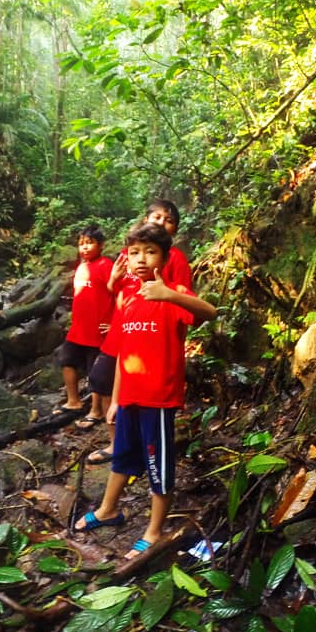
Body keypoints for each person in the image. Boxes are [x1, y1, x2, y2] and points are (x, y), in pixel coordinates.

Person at [74, 222, 217, 560]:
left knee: (159, 469)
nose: (141, 259)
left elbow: (210, 313)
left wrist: (170, 294)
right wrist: (117, 399)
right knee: (122, 457)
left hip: (159, 399)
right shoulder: (127, 295)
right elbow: (125, 352)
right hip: (131, 399)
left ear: (165, 258)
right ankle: (108, 509)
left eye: (150, 252)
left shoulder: (174, 293)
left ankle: (153, 532)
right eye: (134, 252)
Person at [81, 198, 192, 455]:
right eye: (158, 217)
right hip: (123, 327)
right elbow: (117, 292)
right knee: (100, 378)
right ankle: (116, 443)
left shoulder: (174, 259)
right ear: (146, 219)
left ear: (174, 230)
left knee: (135, 391)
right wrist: (112, 282)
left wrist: (176, 345)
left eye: (169, 220)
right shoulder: (128, 253)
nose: (162, 222)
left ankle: (139, 446)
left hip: (150, 333)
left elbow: (183, 304)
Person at [57, 225, 114, 412]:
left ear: (101, 245)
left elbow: (118, 293)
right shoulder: (81, 267)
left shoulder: (106, 265)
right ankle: (73, 400)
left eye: (90, 243)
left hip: (97, 330)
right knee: (66, 359)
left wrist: (114, 323)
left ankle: (95, 410)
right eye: (81, 244)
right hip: (78, 328)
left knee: (94, 372)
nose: (85, 247)